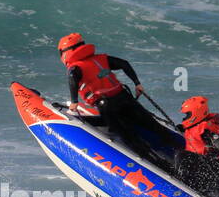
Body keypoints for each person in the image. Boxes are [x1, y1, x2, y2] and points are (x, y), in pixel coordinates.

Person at [58, 33, 165, 163]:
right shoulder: (102, 59)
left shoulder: (75, 67)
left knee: (129, 137)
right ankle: (180, 148)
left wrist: (74, 102)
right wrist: (137, 83)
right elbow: (124, 64)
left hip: (107, 106)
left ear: (66, 53)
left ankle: (161, 165)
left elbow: (72, 78)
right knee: (153, 126)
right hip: (124, 98)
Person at [175, 95, 219, 197]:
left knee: (181, 154)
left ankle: (182, 184)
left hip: (211, 166)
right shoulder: (197, 125)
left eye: (187, 115)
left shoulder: (206, 130)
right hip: (201, 163)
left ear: (196, 113)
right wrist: (182, 128)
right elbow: (193, 134)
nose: (185, 118)